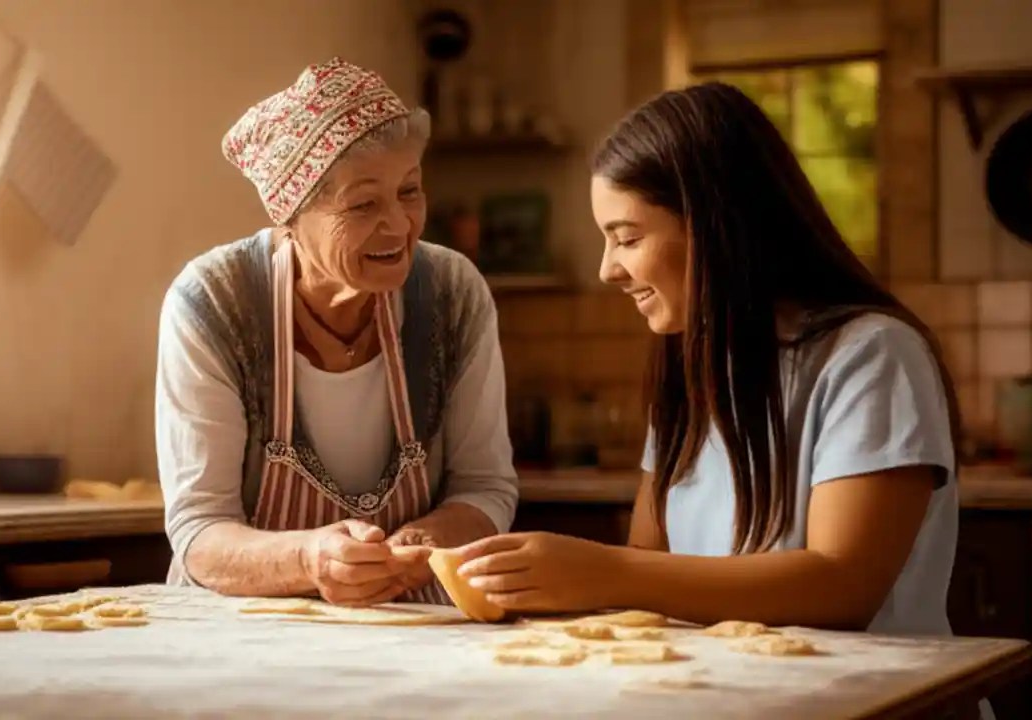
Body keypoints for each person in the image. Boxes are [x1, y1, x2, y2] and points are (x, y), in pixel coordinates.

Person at [456, 82, 962, 639]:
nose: (607, 270)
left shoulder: (873, 356)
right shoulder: (692, 371)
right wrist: (515, 581)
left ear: (715, 225)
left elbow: (842, 586)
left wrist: (601, 572)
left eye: (626, 238)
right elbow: (651, 581)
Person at [155, 58, 518, 607]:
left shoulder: (452, 292)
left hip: (412, 625)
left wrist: (422, 544)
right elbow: (200, 528)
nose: (398, 226)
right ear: (290, 218)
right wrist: (308, 559)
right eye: (364, 204)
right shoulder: (213, 302)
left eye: (410, 191)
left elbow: (484, 486)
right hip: (244, 634)